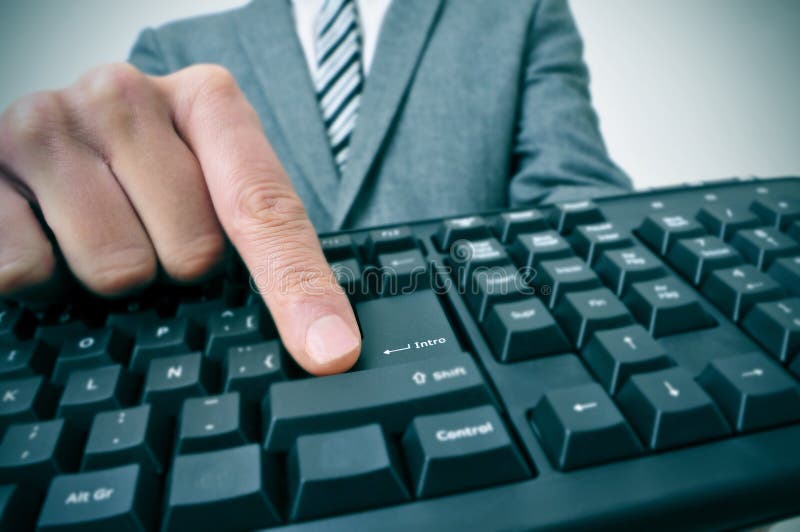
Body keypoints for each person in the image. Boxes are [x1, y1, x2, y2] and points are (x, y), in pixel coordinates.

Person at [0, 0, 630, 376]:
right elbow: (132, 219)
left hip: (475, 367)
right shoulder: (176, 48)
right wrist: (48, 220)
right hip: (248, 379)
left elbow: (579, 210)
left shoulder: (517, 13)